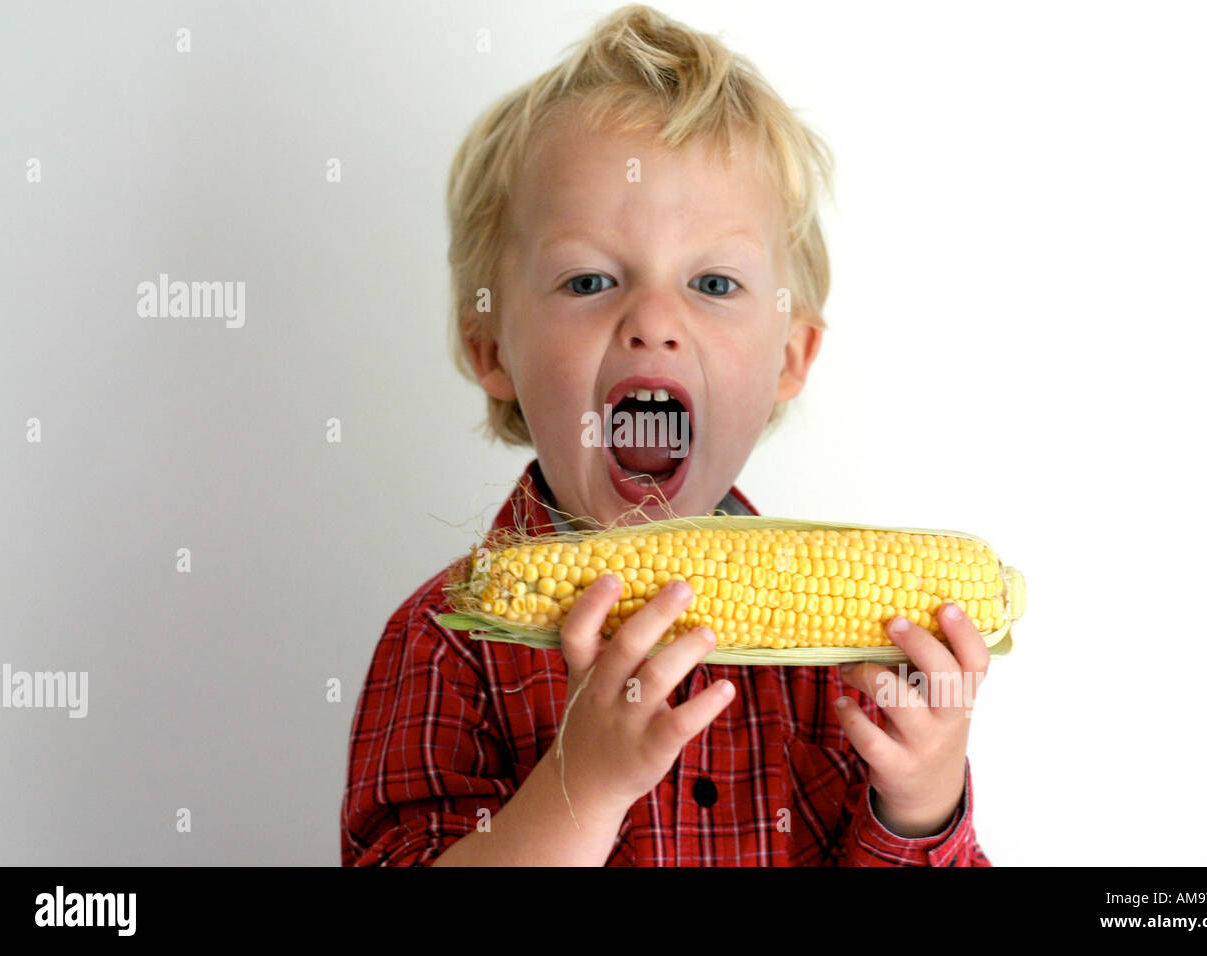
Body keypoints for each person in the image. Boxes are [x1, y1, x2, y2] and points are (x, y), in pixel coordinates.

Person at [341, 4, 991, 866]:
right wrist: (583, 785)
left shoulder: (839, 660)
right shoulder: (447, 642)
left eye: (714, 282)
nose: (653, 321)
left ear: (790, 358)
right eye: (590, 279)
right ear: (491, 347)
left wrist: (920, 807)